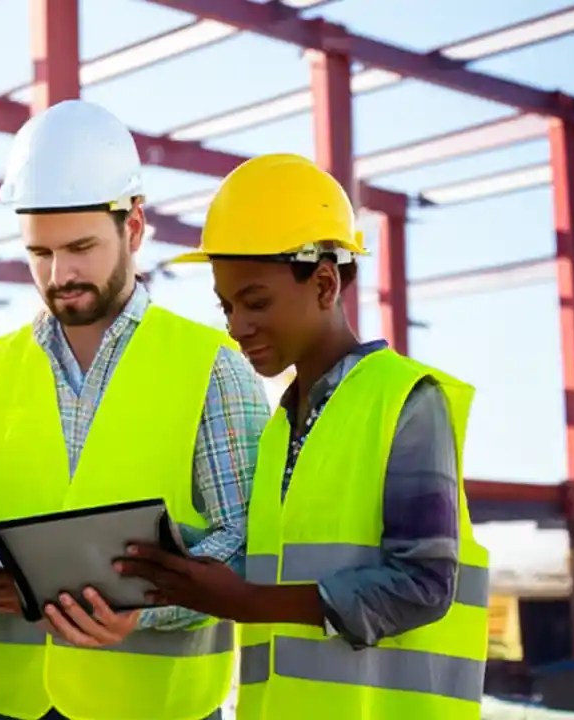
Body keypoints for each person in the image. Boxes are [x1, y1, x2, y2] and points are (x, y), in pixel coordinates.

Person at [117, 153, 490, 719]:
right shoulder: (281, 430)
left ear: (323, 284)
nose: (237, 326)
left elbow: (424, 583)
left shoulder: (408, 401)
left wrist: (246, 602)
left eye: (255, 301)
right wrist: (176, 568)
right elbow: (282, 568)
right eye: (226, 306)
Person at [0, 99, 273, 720]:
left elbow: (249, 545)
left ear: (135, 227)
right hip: (11, 705)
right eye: (39, 254)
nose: (60, 274)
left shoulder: (211, 367)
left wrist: (145, 606)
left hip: (158, 708)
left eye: (81, 247)